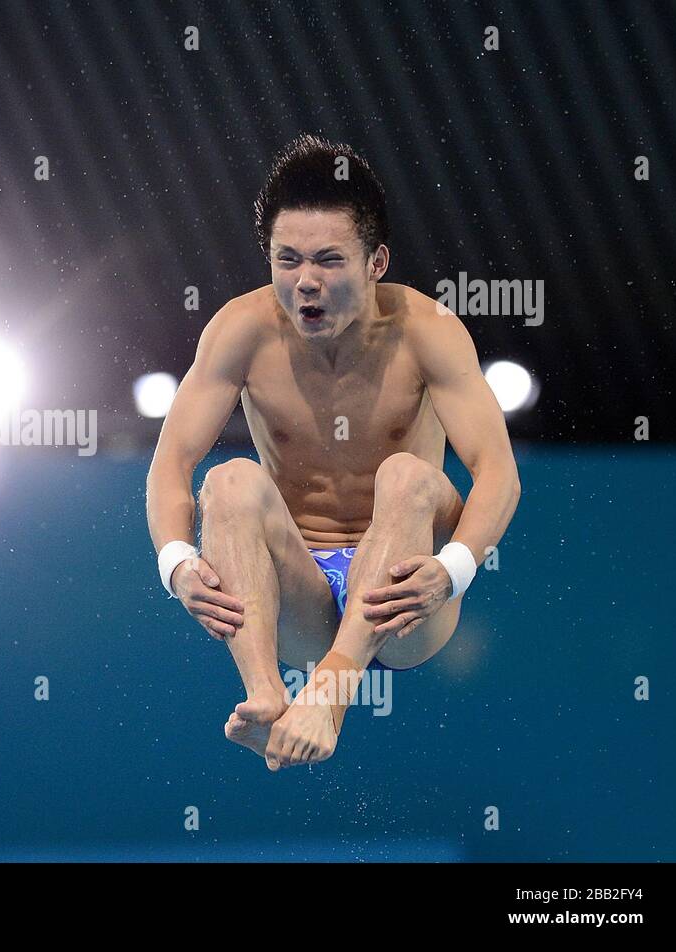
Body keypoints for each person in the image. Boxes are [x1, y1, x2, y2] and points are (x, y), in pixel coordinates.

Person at [145, 134, 521, 771]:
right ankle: (266, 697)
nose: (306, 283)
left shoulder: (428, 332)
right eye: (287, 260)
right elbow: (172, 463)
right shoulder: (241, 330)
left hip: (406, 601)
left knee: (407, 477)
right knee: (230, 480)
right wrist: (177, 565)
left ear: (376, 262)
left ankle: (331, 694)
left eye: (328, 260)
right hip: (298, 597)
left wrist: (454, 569)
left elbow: (500, 476)